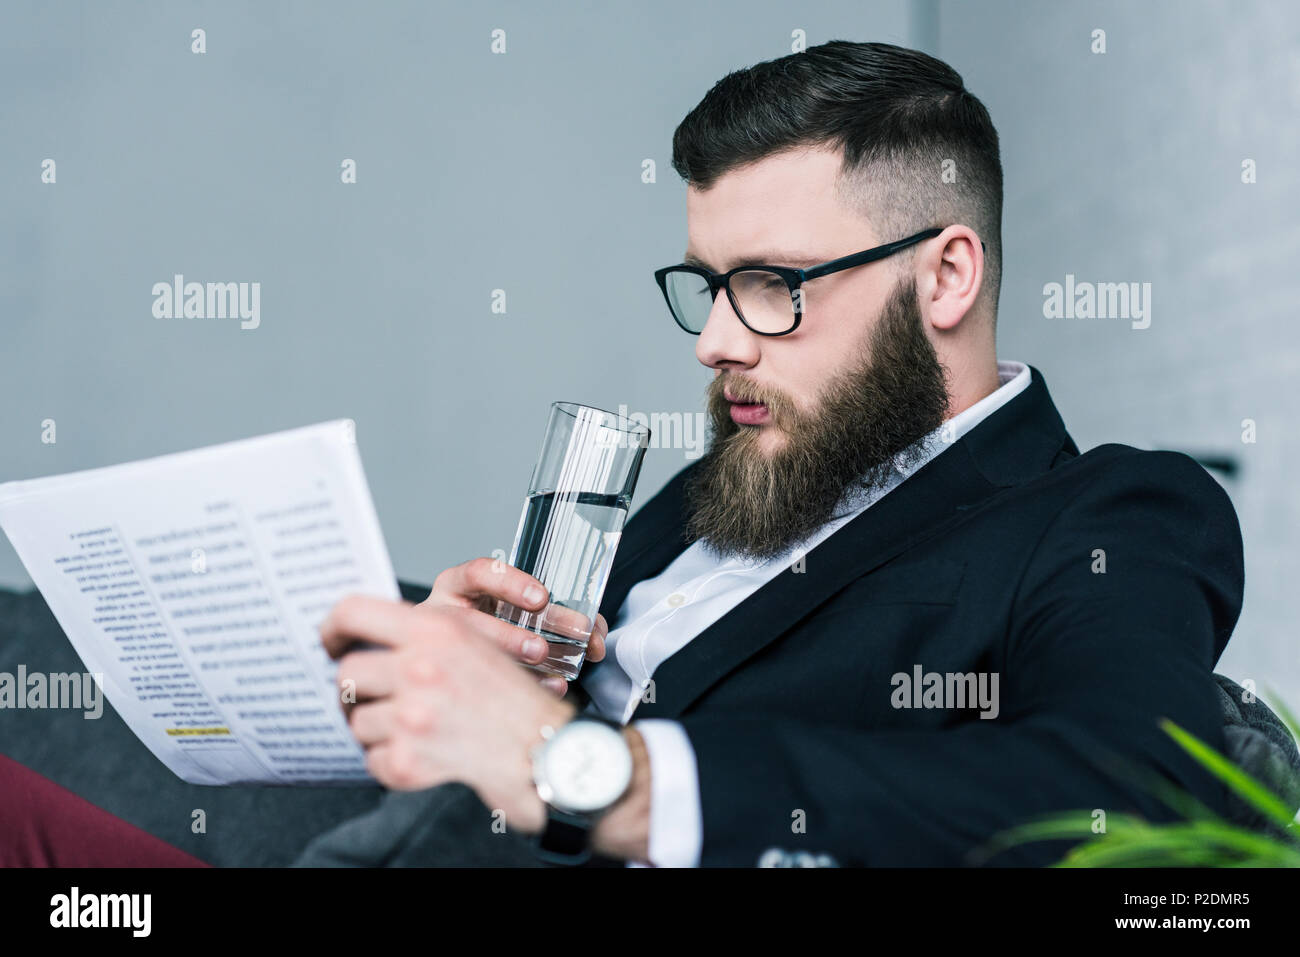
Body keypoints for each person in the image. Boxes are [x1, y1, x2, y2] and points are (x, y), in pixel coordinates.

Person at [0, 39, 1244, 868]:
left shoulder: (1104, 514)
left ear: (946, 274)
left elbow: (1130, 801)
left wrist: (587, 769)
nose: (711, 341)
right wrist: (480, 660)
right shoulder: (750, 474)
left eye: (769, 285)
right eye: (705, 286)